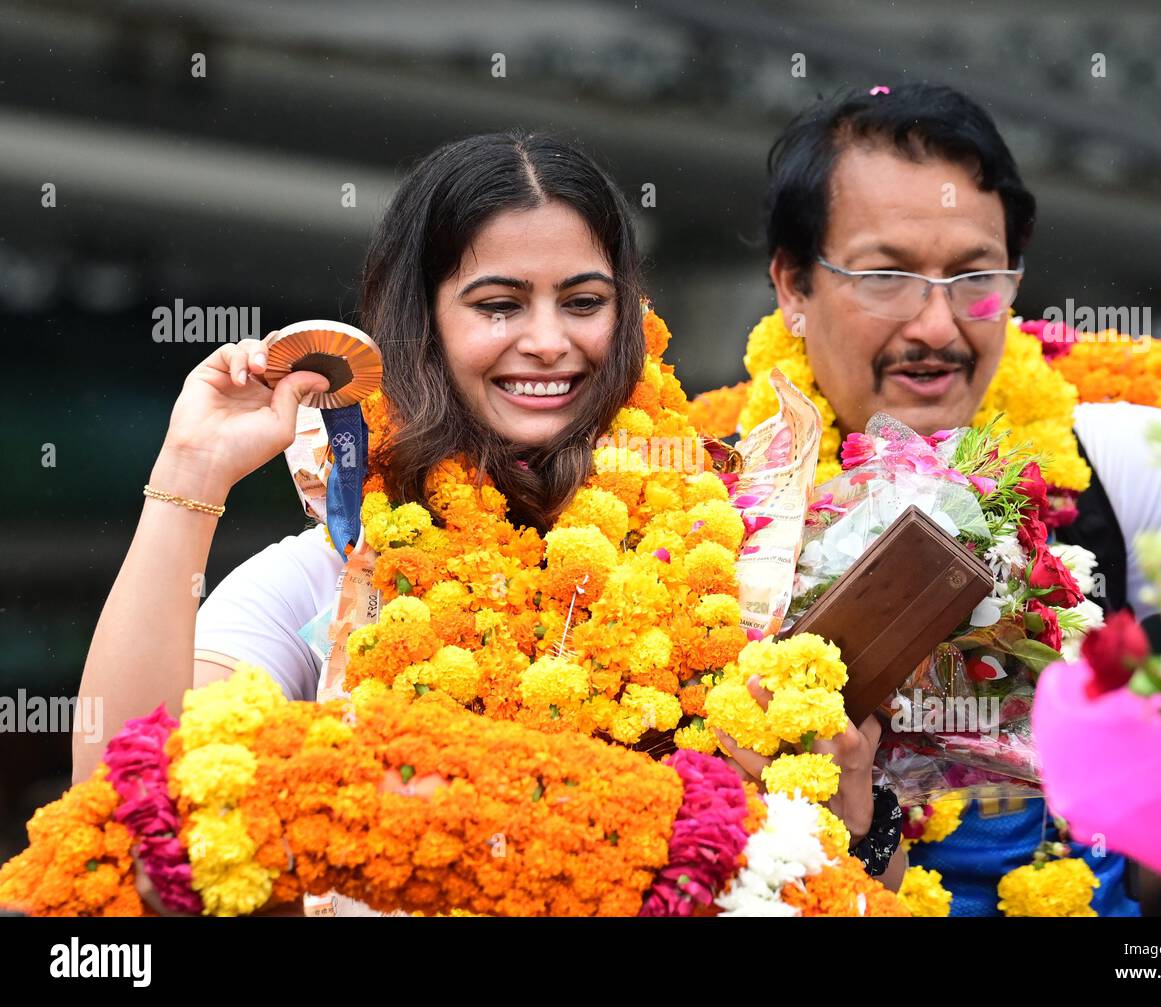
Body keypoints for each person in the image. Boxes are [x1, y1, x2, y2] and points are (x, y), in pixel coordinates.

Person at [70, 129, 906, 916]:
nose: (547, 341)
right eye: (499, 304)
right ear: (421, 323)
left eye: (582, 301)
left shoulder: (735, 559)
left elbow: (861, 880)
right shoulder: (337, 574)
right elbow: (117, 795)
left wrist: (865, 826)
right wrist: (190, 470)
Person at [721, 82, 1161, 916]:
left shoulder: (1106, 457)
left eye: (974, 276)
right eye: (886, 275)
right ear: (792, 286)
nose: (937, 325)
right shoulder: (712, 511)